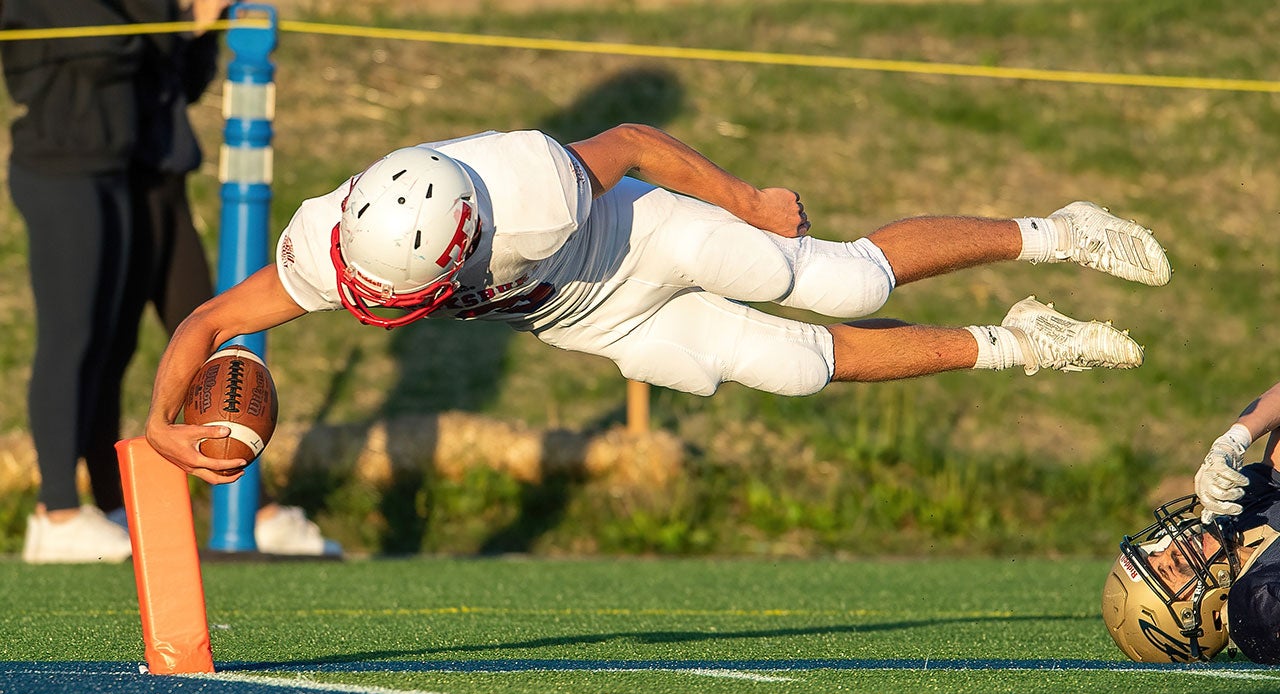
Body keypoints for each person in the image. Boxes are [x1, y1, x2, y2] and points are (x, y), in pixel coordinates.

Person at [144, 123, 1170, 486]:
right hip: (591, 319)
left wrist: (744, 201)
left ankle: (1056, 231)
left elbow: (633, 143)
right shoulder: (342, 243)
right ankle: (1021, 341)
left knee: (847, 281)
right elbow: (208, 324)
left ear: (463, 243)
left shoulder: (533, 189)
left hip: (635, 235)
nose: (373, 304)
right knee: (798, 367)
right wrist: (158, 422)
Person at [5, 0, 337, 562]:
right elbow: (108, 45)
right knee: (84, 338)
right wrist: (181, 19)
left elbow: (175, 80)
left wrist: (197, 32)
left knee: (174, 328)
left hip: (140, 162)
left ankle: (217, 502)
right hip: (73, 164)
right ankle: (60, 508)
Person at [1102, 381, 1280, 664]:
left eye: (1157, 552)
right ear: (1198, 617)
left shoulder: (1244, 514)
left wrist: (1233, 441)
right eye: (1169, 569)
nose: (1173, 548)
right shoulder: (1261, 600)